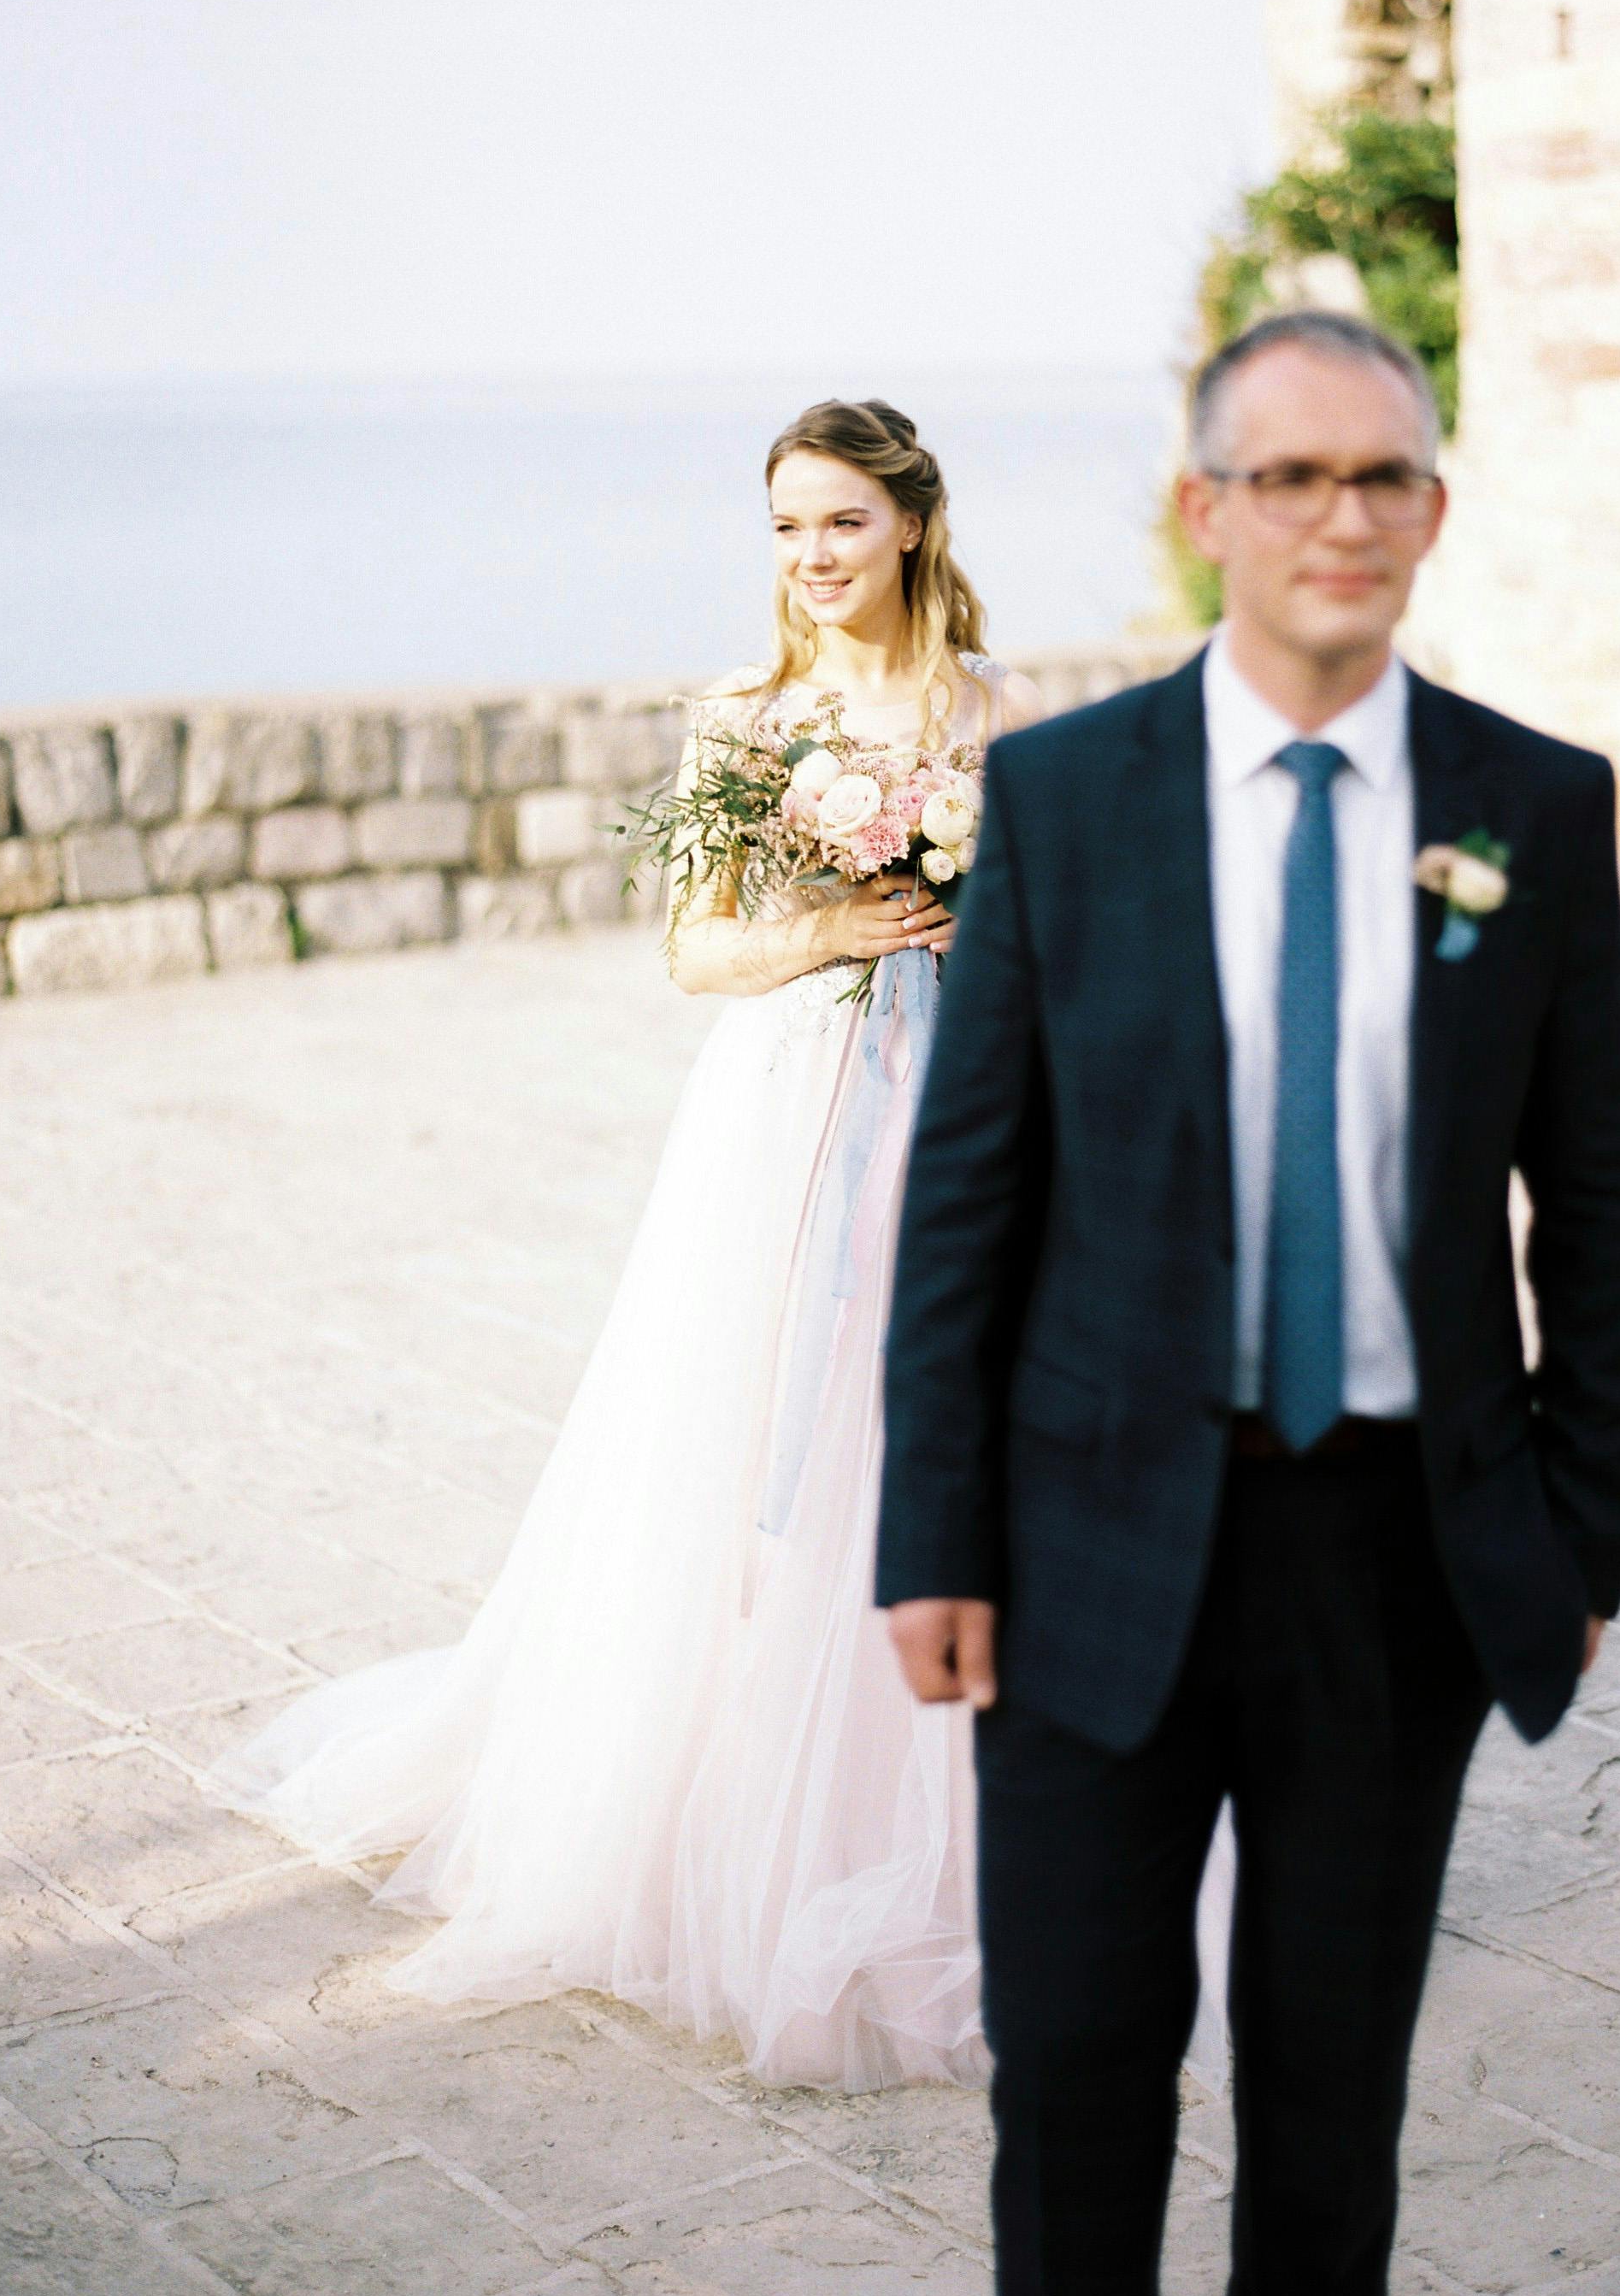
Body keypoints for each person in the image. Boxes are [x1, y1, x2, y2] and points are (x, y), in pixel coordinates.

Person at [877, 312, 1620, 2296]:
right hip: (1083, 1542)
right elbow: (967, 1193)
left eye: (1381, 474)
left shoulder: (1530, 805)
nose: (1341, 516)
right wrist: (932, 1533)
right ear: (1201, 507)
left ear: (1432, 511)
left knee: (1327, 2114)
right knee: (1070, 2082)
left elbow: (1594, 1209)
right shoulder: (1064, 795)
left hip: (1393, 1561)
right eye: (1291, 475)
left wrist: (1575, 1540)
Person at [221, 397, 1046, 2090]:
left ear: (910, 521)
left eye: (841, 519)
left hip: (954, 1106)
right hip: (788, 1106)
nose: (811, 555)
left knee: (937, 1426)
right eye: (785, 525)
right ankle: (729, 1784)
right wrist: (836, 922)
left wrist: (977, 931)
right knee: (754, 1432)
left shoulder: (991, 710)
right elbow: (695, 948)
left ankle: (933, 1787)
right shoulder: (746, 717)